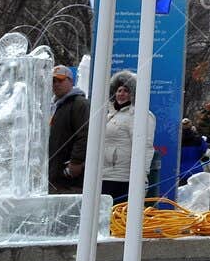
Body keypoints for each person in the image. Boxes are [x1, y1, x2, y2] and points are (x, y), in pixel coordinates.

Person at [101, 70, 155, 205]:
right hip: (104, 175)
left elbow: (145, 146)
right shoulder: (109, 115)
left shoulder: (140, 115)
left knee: (121, 214)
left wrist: (142, 176)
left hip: (124, 178)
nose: (121, 93)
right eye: (119, 90)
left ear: (133, 94)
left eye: (126, 91)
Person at [47, 64, 90, 194]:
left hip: (70, 176)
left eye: (60, 80)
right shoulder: (54, 105)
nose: (56, 84)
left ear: (71, 81)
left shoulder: (80, 104)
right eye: (53, 81)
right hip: (55, 171)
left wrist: (76, 161)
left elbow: (84, 134)